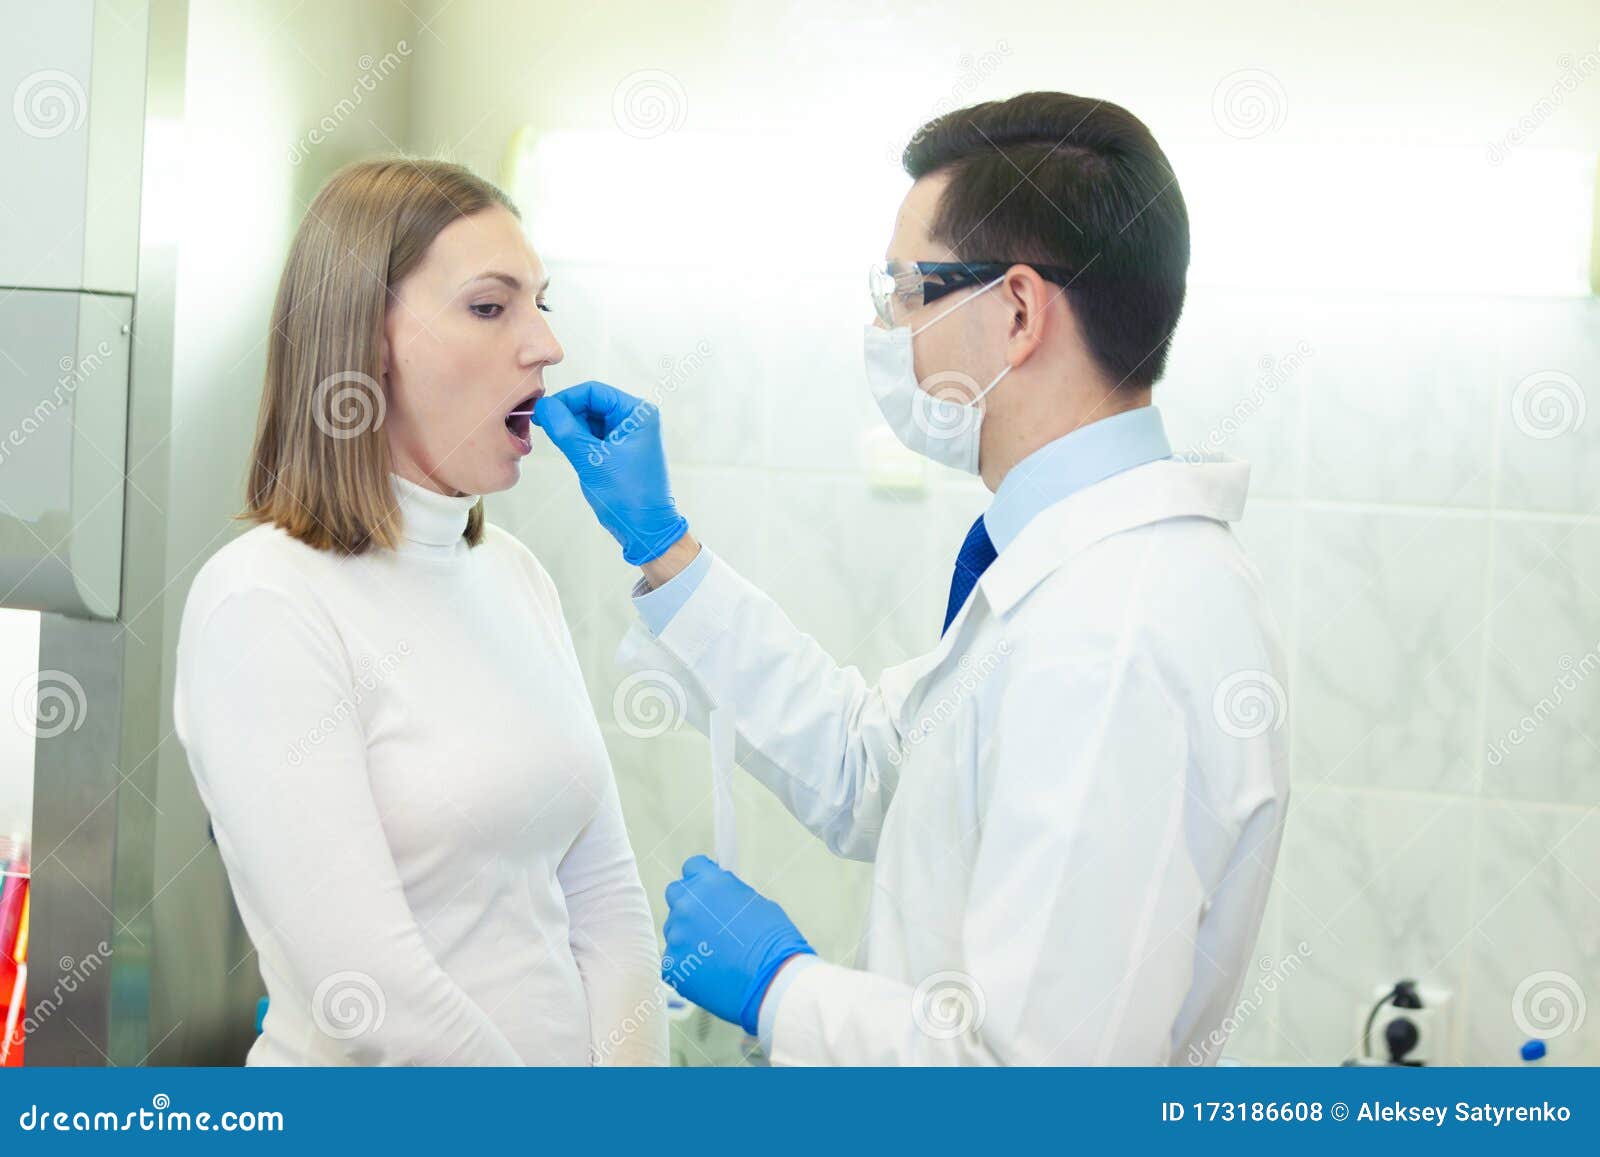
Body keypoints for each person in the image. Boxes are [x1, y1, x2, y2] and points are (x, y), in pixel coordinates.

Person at [536, 91, 1291, 1065]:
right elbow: (875, 762)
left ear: (1017, 309)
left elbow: (1032, 1081)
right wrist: (663, 546)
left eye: (906, 290)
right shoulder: (1071, 578)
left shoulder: (1113, 636)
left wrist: (782, 988)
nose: (889, 327)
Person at [173, 159, 665, 1066]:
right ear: (367, 344)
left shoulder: (514, 575)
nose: (546, 345)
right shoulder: (263, 601)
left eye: (541, 303)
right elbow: (370, 993)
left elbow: (608, 904)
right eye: (491, 306)